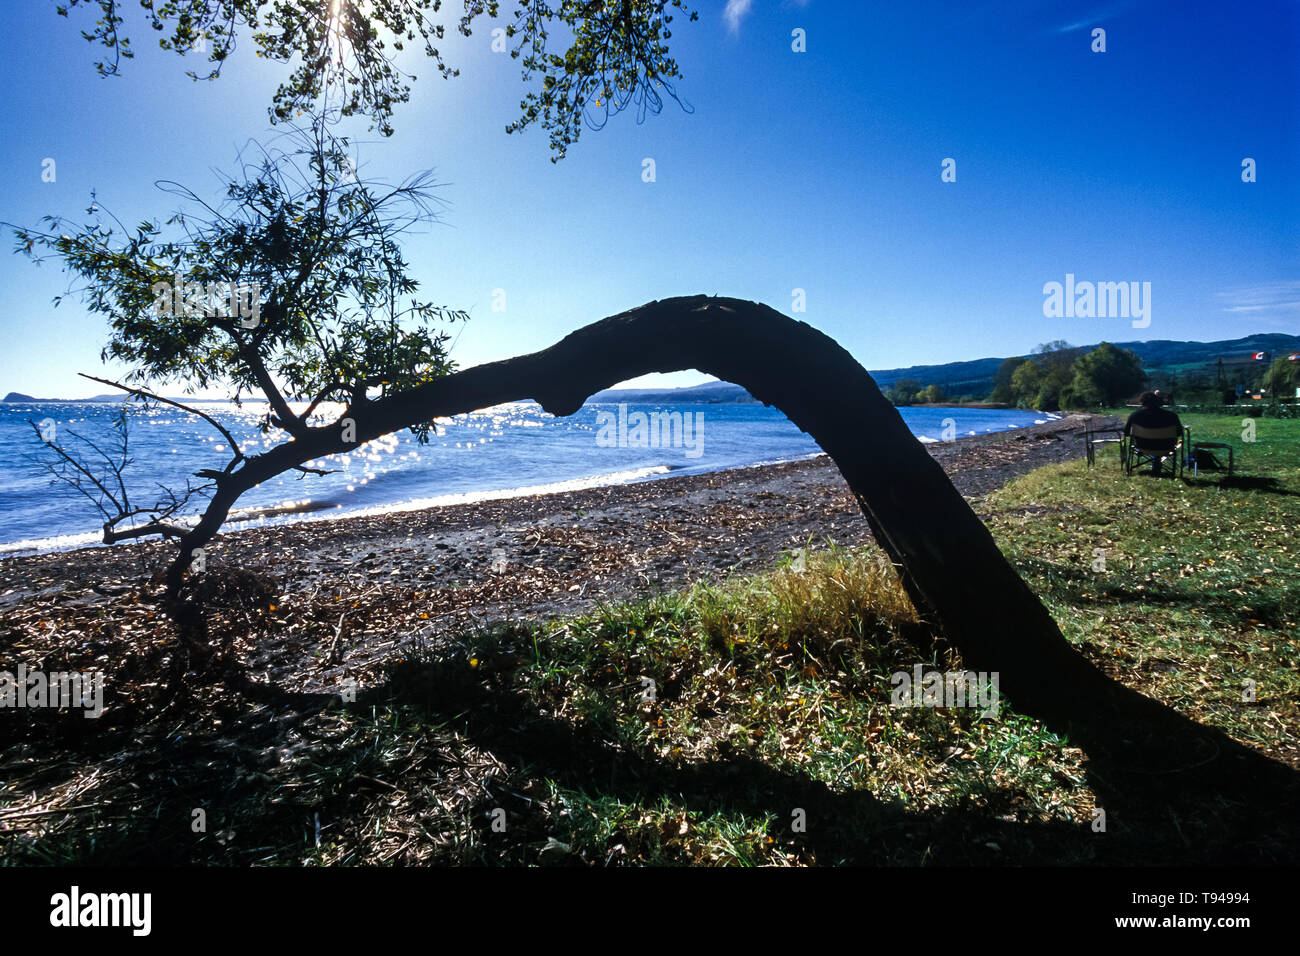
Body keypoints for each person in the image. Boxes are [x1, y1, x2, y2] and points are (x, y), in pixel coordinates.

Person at [1124, 391, 1183, 472]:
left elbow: (1126, 433)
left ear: (1142, 402)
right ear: (1158, 402)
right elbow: (1179, 433)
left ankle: (1155, 461)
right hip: (1165, 447)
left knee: (1150, 442)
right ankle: (1157, 460)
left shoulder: (1134, 416)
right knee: (1159, 442)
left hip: (1143, 447)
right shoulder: (1172, 416)